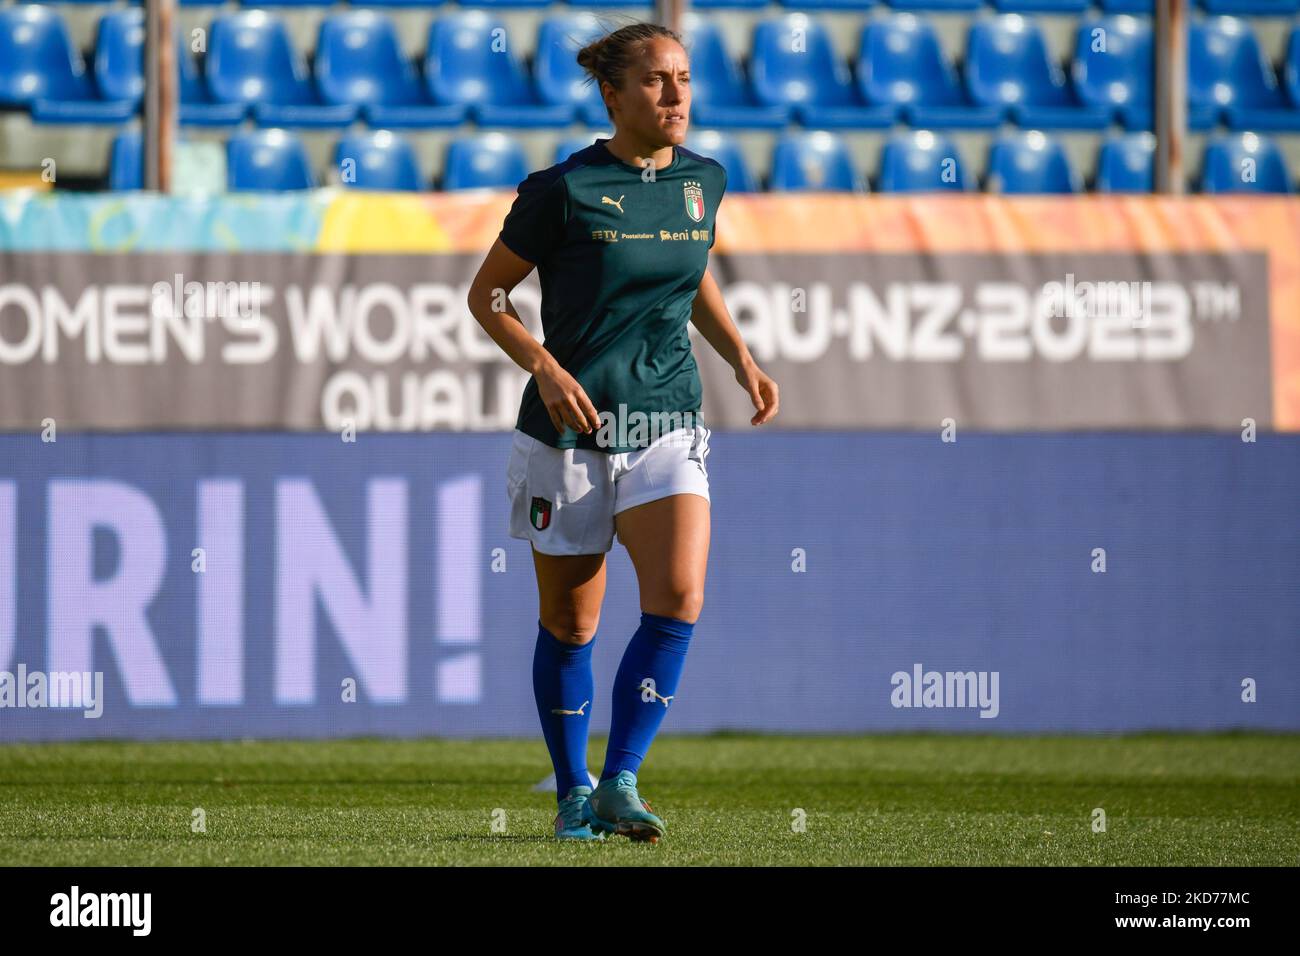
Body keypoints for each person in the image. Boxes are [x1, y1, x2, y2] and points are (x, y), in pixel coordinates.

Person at [466, 21, 779, 843]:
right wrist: (542, 364)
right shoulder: (561, 190)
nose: (675, 95)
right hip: (568, 434)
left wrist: (741, 356)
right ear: (613, 94)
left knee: (678, 597)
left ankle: (620, 782)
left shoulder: (704, 181)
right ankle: (573, 793)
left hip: (667, 421)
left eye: (682, 78)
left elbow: (691, 264)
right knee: (571, 625)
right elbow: (487, 297)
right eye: (654, 81)